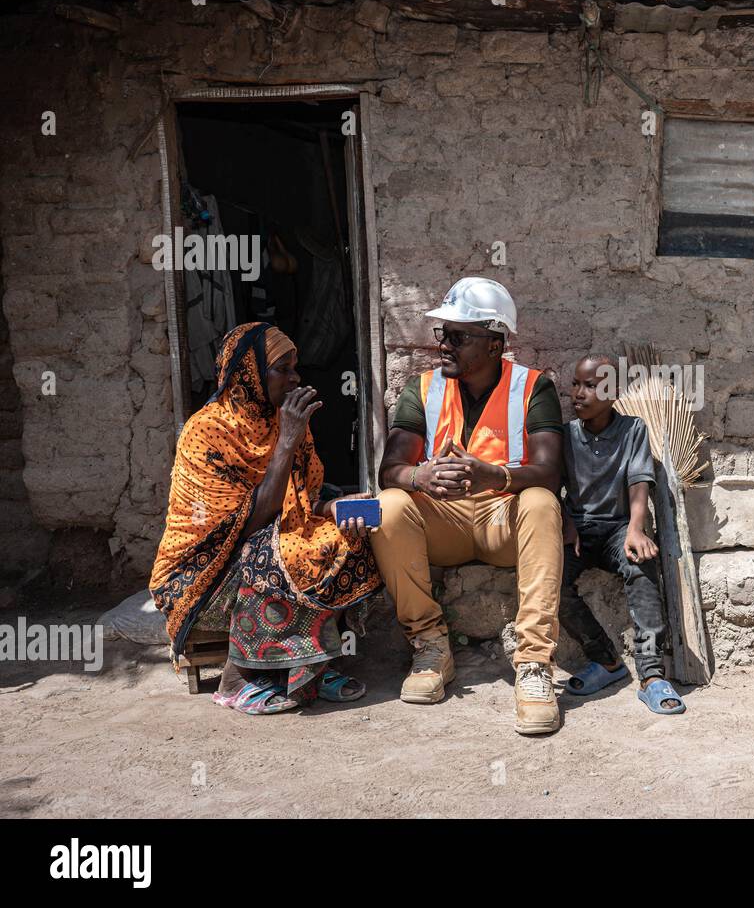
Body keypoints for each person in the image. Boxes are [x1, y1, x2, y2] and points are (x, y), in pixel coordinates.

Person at [149, 322, 382, 715]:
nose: (295, 378)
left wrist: (337, 507)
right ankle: (234, 677)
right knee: (276, 552)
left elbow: (301, 502)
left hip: (265, 539)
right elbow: (247, 523)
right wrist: (288, 439)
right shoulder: (206, 431)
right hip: (202, 570)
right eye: (282, 369)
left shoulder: (280, 419)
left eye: (295, 368)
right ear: (248, 373)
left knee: (349, 539)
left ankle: (311, 665)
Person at [369, 277, 566, 735]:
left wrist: (495, 475)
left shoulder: (533, 387)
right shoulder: (423, 388)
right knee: (391, 503)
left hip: (504, 519)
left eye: (458, 336)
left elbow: (550, 472)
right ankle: (430, 646)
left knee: (540, 502)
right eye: (444, 335)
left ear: (494, 343)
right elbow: (391, 468)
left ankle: (534, 663)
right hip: (445, 522)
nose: (444, 346)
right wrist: (419, 476)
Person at [558, 354, 685, 714]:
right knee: (550, 580)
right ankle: (607, 661)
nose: (579, 394)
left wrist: (636, 528)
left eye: (591, 386)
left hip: (617, 527)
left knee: (642, 565)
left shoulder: (633, 430)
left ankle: (651, 674)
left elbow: (639, 479)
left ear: (613, 393)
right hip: (578, 529)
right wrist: (567, 523)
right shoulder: (566, 435)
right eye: (576, 385)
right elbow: (553, 486)